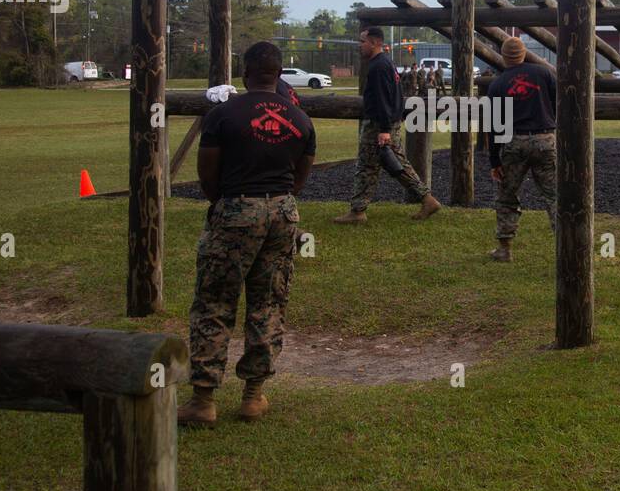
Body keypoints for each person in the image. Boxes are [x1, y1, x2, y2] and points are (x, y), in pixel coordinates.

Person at [177, 41, 316, 428]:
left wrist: (225, 204)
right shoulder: (300, 119)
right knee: (269, 302)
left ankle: (203, 401)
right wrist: (279, 199)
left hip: (237, 208)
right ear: (279, 73)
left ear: (245, 72)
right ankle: (253, 396)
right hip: (283, 212)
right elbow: (302, 175)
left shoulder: (223, 115)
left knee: (214, 302)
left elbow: (207, 174)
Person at [333, 26, 441, 224]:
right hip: (386, 124)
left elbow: (383, 99)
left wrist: (383, 129)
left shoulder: (378, 66)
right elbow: (396, 97)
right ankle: (426, 199)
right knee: (391, 166)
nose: (360, 46)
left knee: (370, 166)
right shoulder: (385, 63)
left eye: (362, 41)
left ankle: (358, 212)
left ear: (374, 42)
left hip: (378, 126)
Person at [487, 37, 557, 261]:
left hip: (514, 143)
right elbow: (558, 103)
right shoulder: (544, 73)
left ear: (504, 56)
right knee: (555, 196)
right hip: (545, 140)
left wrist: (494, 161)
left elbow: (495, 126)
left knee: (507, 196)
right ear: (524, 53)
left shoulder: (498, 84)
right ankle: (567, 246)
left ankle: (504, 249)